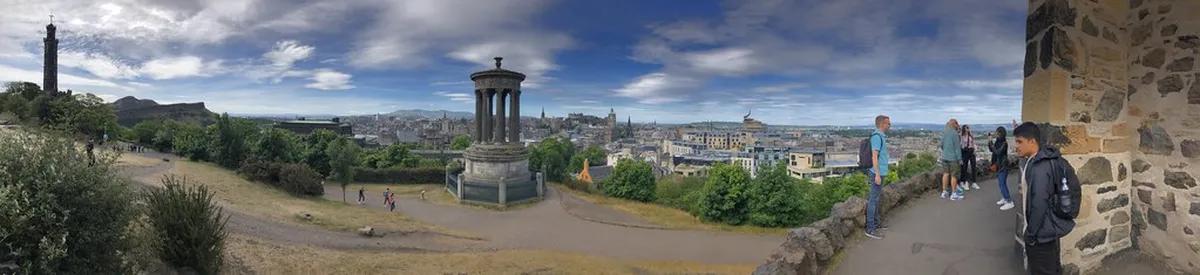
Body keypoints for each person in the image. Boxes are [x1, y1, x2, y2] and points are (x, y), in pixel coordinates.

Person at [1014, 122, 1075, 275]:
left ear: (1032, 141)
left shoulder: (1040, 167)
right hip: (1049, 229)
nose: (1016, 146)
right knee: (1053, 268)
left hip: (1041, 235)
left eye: (1019, 141)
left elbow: (1038, 203)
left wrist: (1031, 235)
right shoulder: (1037, 160)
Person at [864, 115, 890, 240]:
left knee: (876, 199)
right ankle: (870, 228)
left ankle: (876, 223)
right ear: (882, 124)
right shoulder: (876, 137)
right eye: (888, 123)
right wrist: (877, 174)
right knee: (873, 200)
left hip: (880, 171)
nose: (890, 126)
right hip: (877, 173)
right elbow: (875, 157)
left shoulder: (881, 137)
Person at [990, 126, 1014, 210]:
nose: (996, 134)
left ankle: (1009, 201)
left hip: (1003, 165)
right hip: (999, 164)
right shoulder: (998, 141)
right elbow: (992, 150)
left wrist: (992, 146)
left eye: (997, 132)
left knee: (1002, 183)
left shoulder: (1004, 143)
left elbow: (998, 152)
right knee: (1000, 183)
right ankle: (1004, 198)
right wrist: (990, 142)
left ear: (1001, 133)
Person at [940, 119, 963, 200]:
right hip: (953, 158)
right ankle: (953, 194)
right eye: (957, 124)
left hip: (944, 157)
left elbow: (941, 145)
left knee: (945, 174)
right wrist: (960, 159)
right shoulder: (955, 133)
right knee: (954, 176)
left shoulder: (944, 132)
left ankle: (944, 192)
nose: (958, 125)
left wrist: (946, 151)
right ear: (954, 124)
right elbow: (957, 148)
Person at [960, 124, 979, 191]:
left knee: (973, 166)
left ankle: (974, 182)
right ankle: (965, 181)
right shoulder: (961, 136)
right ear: (964, 129)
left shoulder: (971, 136)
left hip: (971, 151)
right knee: (964, 167)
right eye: (966, 128)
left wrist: (975, 150)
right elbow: (961, 145)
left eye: (968, 128)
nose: (968, 129)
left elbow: (973, 143)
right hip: (965, 152)